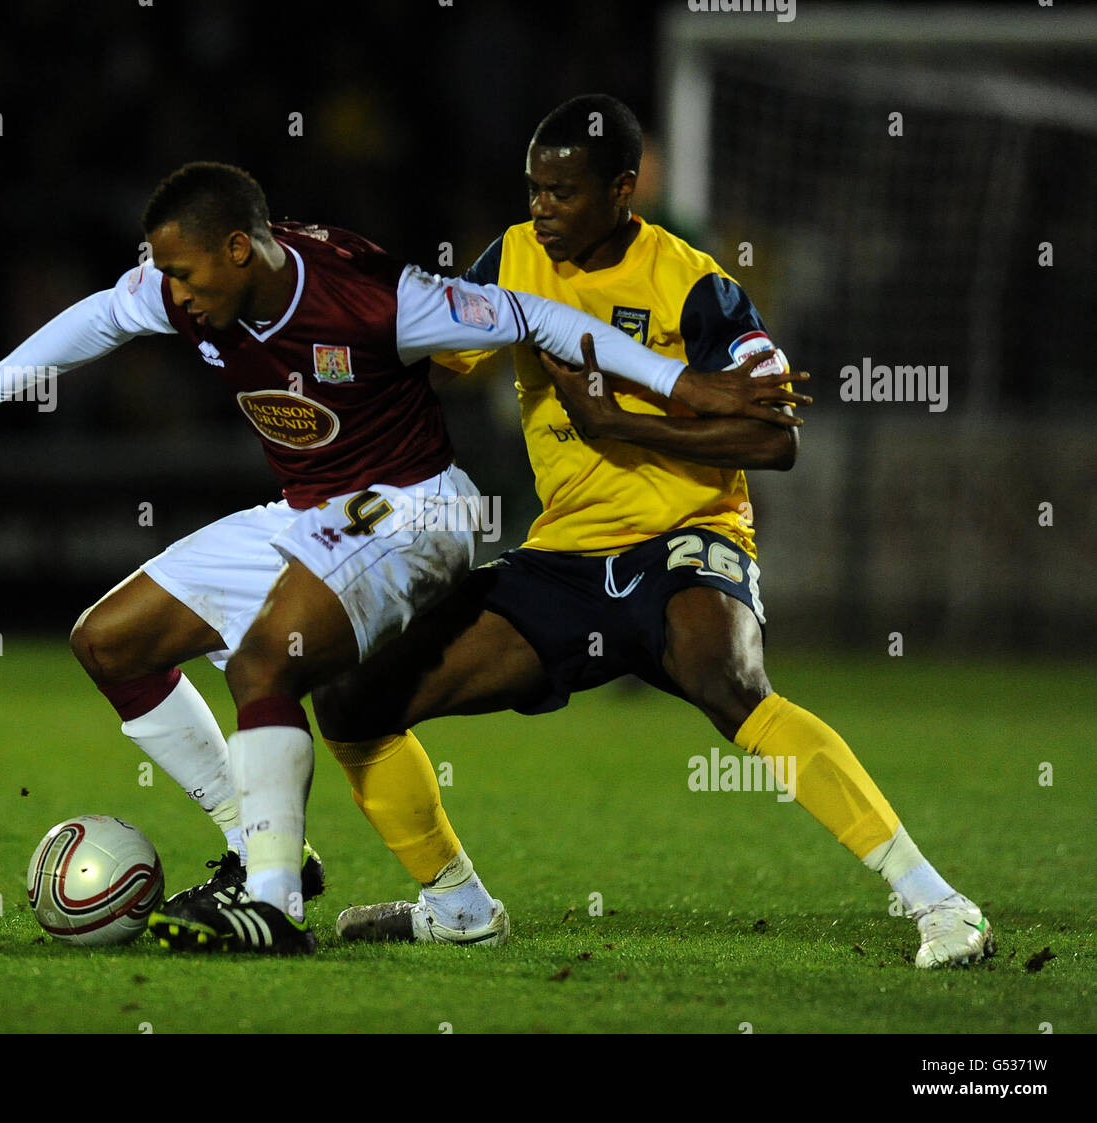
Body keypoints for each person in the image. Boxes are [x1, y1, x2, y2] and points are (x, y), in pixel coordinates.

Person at [0, 160, 804, 956]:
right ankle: (267, 847)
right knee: (108, 641)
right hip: (308, 509)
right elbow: (101, 316)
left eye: (183, 274)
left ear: (238, 250)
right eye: (164, 276)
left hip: (410, 505)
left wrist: (683, 385)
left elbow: (534, 315)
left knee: (268, 661)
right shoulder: (175, 287)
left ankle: (269, 905)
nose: (170, 294)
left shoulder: (379, 296)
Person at [312, 96, 994, 969]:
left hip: (687, 538)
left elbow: (775, 438)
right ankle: (456, 906)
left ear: (623, 191)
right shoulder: (511, 258)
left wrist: (626, 427)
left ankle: (939, 902)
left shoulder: (697, 285)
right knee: (353, 701)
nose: (542, 208)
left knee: (727, 680)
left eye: (563, 192)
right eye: (533, 188)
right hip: (564, 559)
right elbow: (431, 357)